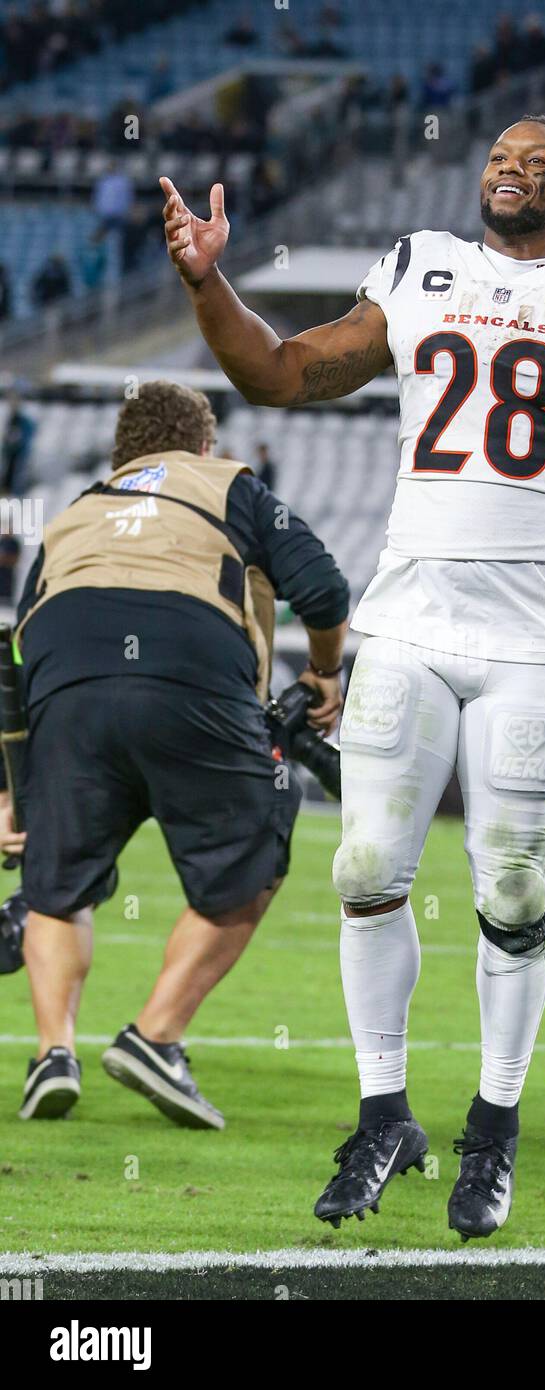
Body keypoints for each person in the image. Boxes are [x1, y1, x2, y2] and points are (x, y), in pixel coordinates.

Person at [160, 111, 545, 1238]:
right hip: (408, 620)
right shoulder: (420, 265)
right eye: (497, 158)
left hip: (528, 639)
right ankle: (384, 1114)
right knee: (367, 866)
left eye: (538, 164)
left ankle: (494, 1123)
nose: (510, 173)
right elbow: (282, 373)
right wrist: (207, 283)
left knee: (510, 890)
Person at [0, 381, 349, 1125]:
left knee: (54, 883)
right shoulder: (229, 484)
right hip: (188, 665)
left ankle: (52, 1053)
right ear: (203, 446)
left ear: (124, 452)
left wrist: (11, 795)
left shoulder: (73, 514)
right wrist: (323, 672)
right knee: (254, 847)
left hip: (65, 679)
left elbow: (17, 656)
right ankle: (157, 1036)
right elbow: (323, 588)